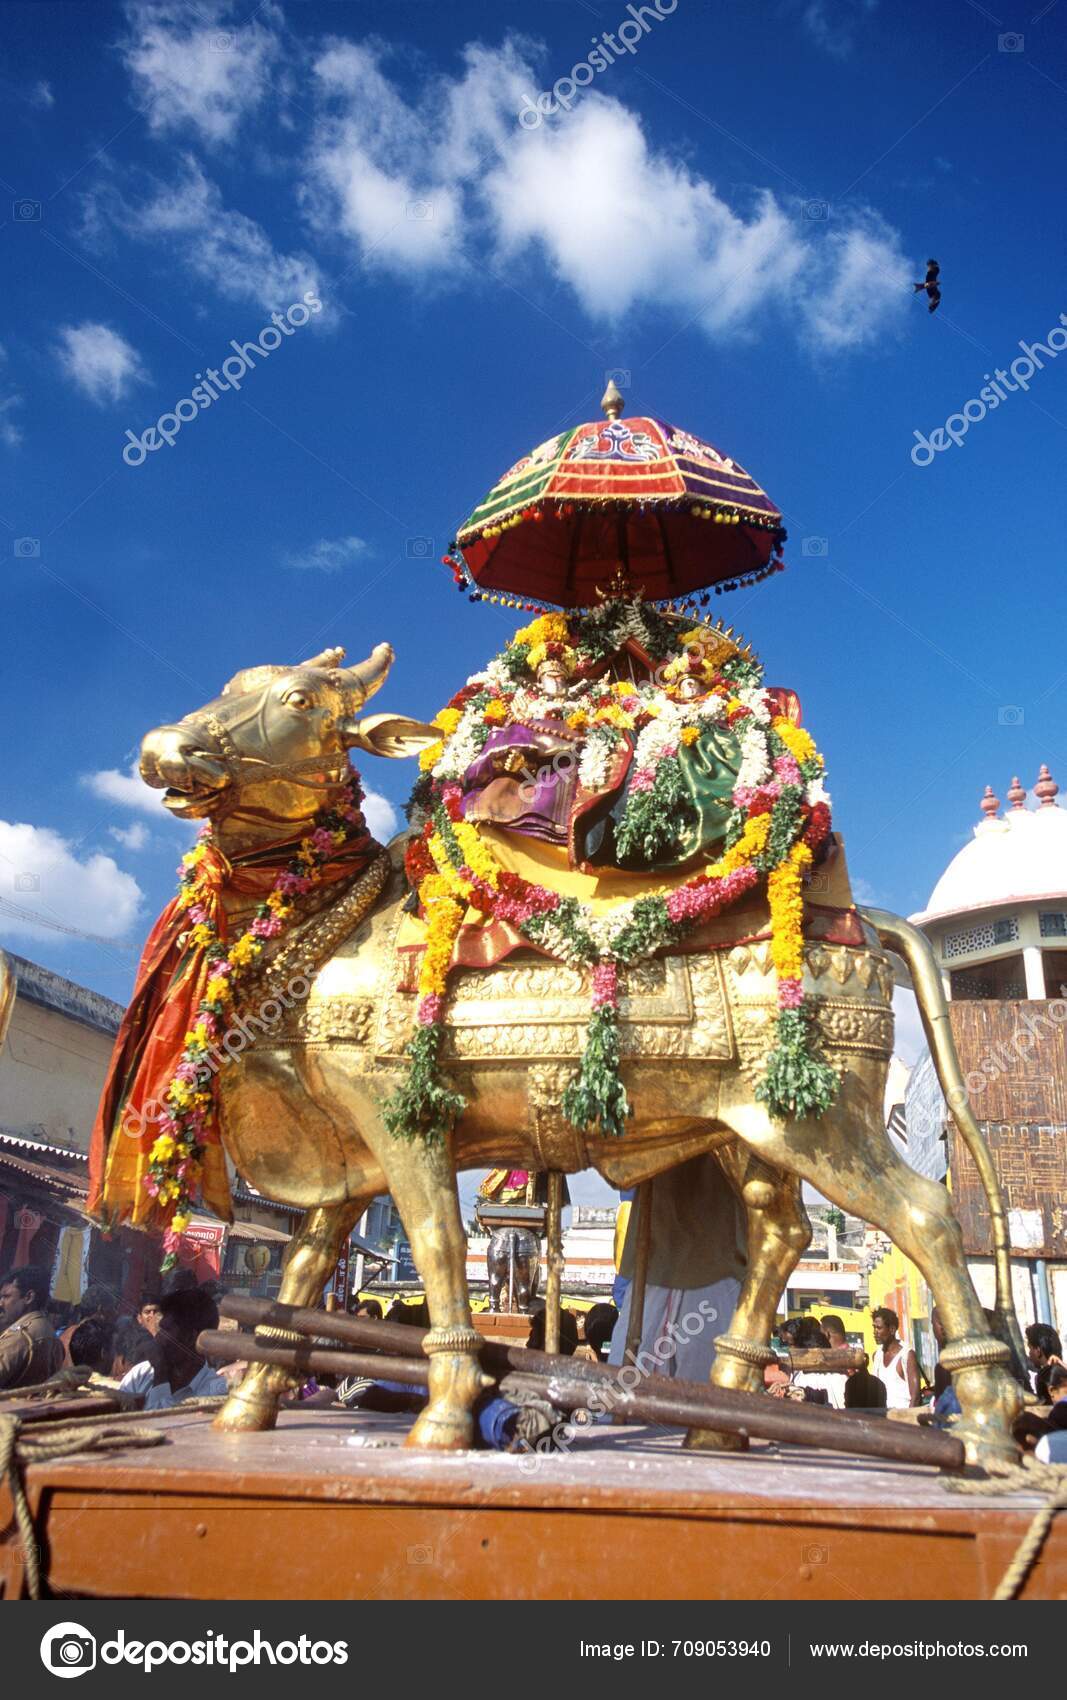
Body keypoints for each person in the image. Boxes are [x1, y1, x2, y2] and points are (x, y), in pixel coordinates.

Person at [118, 1287, 228, 1409]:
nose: (158, 1336)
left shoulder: (217, 1392)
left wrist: (160, 1374)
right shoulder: (140, 1374)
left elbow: (160, 1420)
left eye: (166, 1330)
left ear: (191, 1337)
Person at [0, 1265, 63, 1389]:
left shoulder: (19, 1337)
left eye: (6, 1296)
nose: (0, 1303)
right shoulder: (46, 1329)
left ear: (29, 1297)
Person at [870, 1306, 920, 1408]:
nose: (875, 1332)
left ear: (892, 1329)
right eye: (874, 1327)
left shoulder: (906, 1355)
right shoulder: (877, 1356)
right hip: (882, 1415)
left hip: (903, 1415)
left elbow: (915, 1397)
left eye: (879, 1328)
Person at [1025, 1322, 1062, 1404]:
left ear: (1038, 1351)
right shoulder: (1062, 1370)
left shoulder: (1044, 1376)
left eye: (1030, 1348)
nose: (1029, 1353)